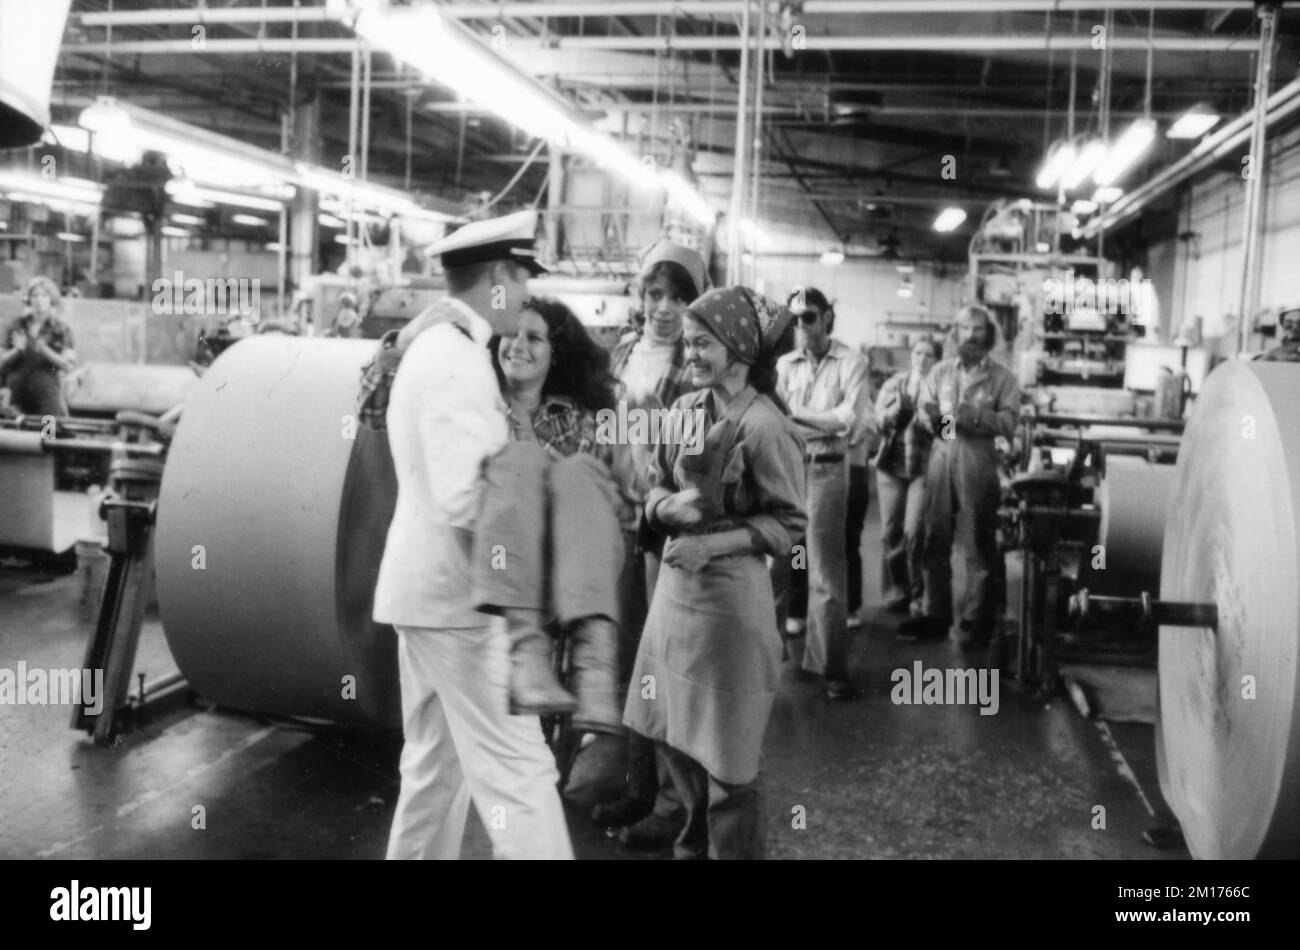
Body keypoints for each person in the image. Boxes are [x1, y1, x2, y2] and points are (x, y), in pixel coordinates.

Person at [365, 209, 572, 860]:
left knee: (435, 770)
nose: (528, 296)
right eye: (523, 277)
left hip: (425, 596)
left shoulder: (438, 347)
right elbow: (467, 502)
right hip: (462, 605)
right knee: (520, 774)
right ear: (500, 277)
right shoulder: (457, 364)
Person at [624, 286, 805, 860]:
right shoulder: (683, 412)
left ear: (739, 348)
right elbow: (654, 482)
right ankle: (692, 846)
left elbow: (790, 522)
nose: (692, 354)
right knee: (677, 737)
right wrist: (662, 509)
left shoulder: (765, 426)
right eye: (688, 343)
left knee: (729, 758)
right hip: (676, 608)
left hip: (730, 608)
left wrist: (714, 546)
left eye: (703, 343)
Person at [591, 239, 708, 848]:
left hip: (664, 524)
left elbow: (697, 443)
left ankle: (673, 803)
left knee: (665, 664)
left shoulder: (698, 361)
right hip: (622, 515)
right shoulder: (625, 350)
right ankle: (639, 785)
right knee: (631, 652)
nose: (665, 307)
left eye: (679, 296)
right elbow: (609, 425)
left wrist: (645, 415)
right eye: (655, 294)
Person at [898, 306, 1020, 651]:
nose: (970, 334)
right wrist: (942, 421)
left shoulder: (1003, 378)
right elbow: (928, 408)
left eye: (978, 329)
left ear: (989, 335)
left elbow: (1009, 423)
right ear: (956, 332)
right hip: (942, 453)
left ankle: (975, 616)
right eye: (964, 327)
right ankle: (936, 613)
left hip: (977, 457)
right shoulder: (941, 371)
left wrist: (977, 417)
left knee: (977, 539)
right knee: (935, 535)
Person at [775, 287, 870, 701]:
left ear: (828, 318)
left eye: (809, 318)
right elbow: (779, 421)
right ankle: (769, 658)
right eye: (795, 320)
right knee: (778, 567)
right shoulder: (784, 365)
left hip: (827, 473)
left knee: (826, 574)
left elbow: (847, 421)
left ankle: (833, 669)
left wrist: (796, 417)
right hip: (786, 470)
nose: (801, 328)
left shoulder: (852, 362)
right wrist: (818, 421)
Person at [874, 338, 941, 616]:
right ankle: (896, 591)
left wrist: (934, 420)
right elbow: (876, 423)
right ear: (910, 355)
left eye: (928, 354)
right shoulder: (894, 384)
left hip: (923, 469)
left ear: (936, 359)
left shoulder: (941, 389)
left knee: (914, 532)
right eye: (917, 352)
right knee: (891, 531)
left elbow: (949, 433)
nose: (922, 358)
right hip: (891, 466)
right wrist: (892, 414)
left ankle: (917, 593)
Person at [0, 277, 78, 417]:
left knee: (49, 435)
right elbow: (1, 361)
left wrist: (44, 350)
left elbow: (68, 365)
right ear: (29, 299)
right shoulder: (16, 326)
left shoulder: (61, 329)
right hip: (17, 395)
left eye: (44, 295)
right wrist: (16, 350)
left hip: (47, 395)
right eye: (34, 295)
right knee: (17, 437)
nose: (39, 300)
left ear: (51, 299)